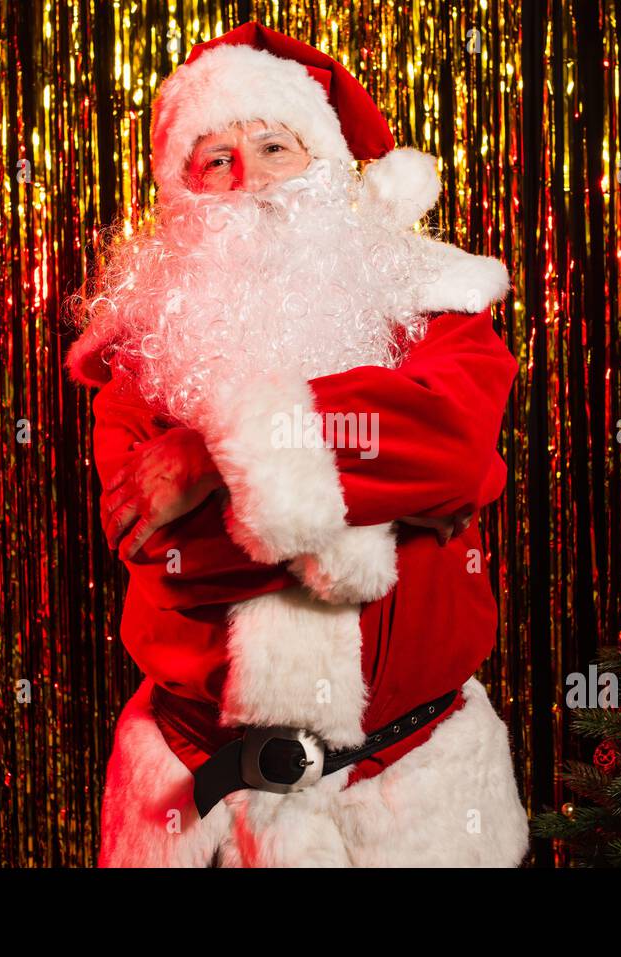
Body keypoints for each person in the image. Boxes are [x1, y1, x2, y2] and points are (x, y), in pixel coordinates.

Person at [65, 21, 529, 866]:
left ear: (327, 168)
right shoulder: (135, 358)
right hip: (202, 798)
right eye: (216, 160)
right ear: (181, 191)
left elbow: (456, 449)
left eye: (277, 146)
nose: (251, 182)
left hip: (416, 786)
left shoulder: (437, 304)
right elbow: (171, 559)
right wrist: (394, 515)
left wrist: (213, 458)